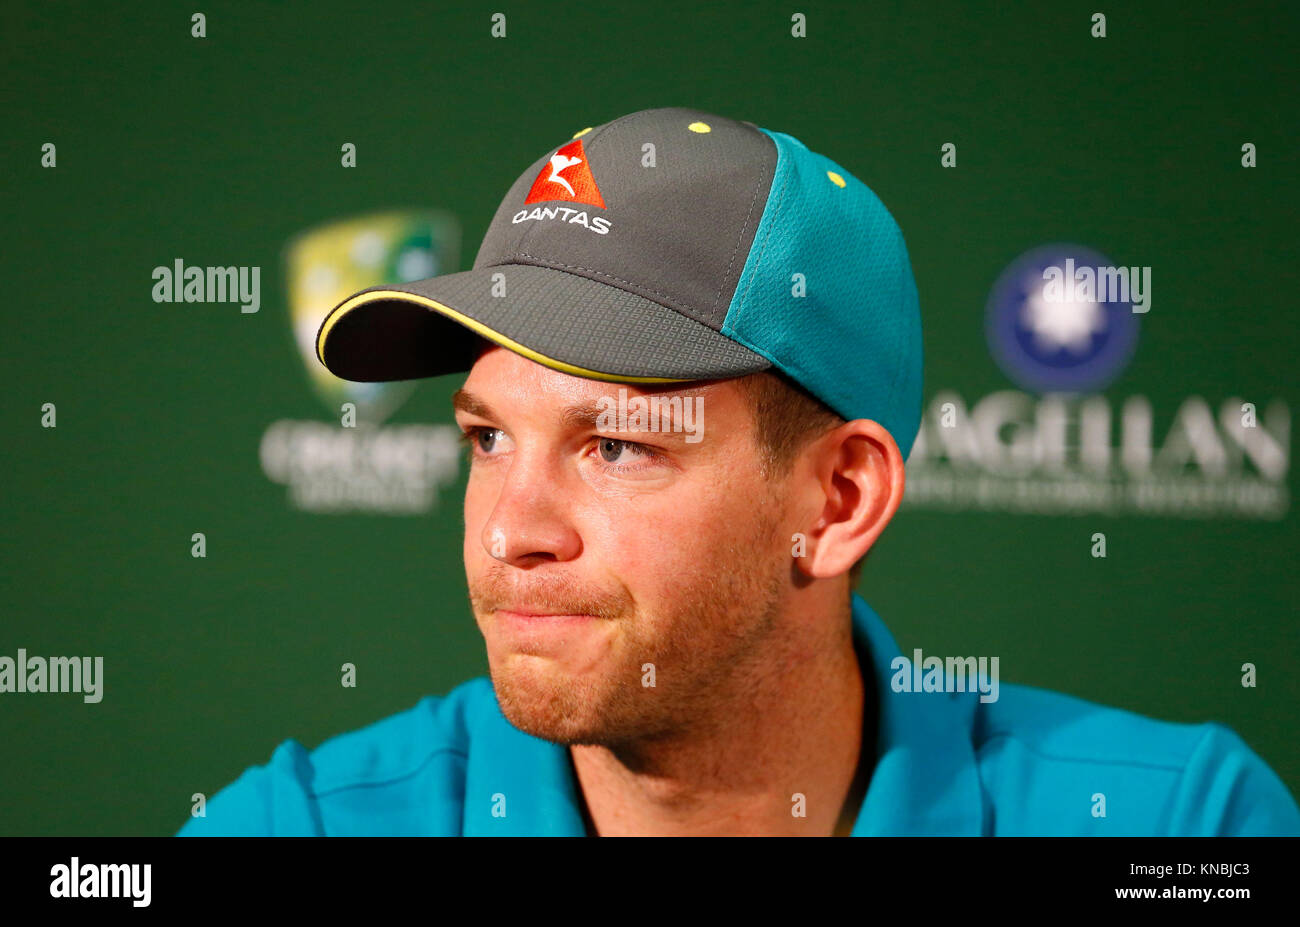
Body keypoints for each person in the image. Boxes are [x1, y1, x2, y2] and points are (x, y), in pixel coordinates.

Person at [177, 107, 1299, 836]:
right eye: (487, 438)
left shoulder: (1178, 829)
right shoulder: (300, 826)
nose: (510, 529)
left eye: (614, 444)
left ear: (839, 498)